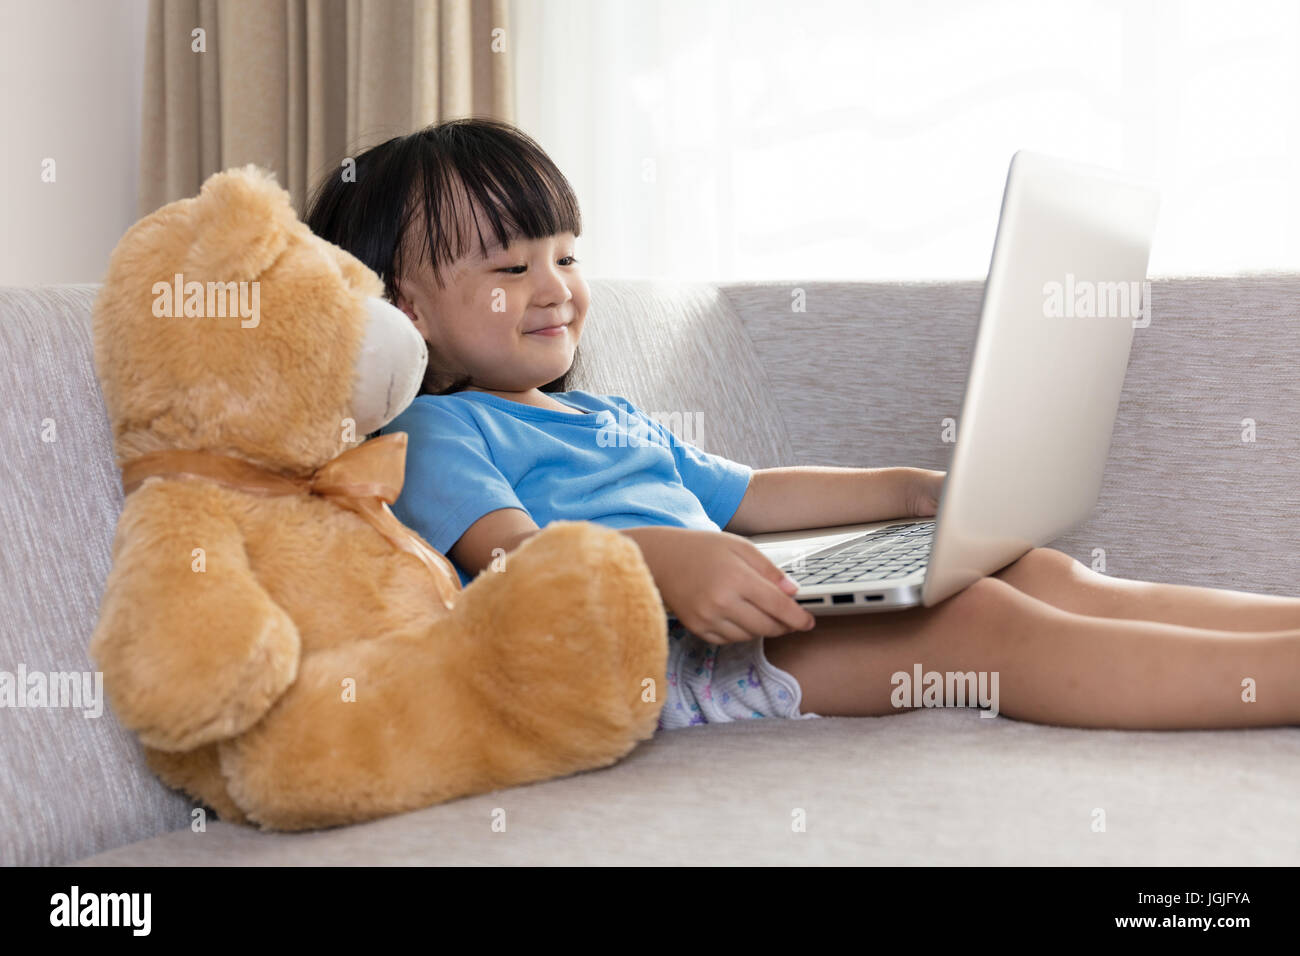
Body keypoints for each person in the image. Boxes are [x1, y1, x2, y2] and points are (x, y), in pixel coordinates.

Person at [305, 118, 1300, 733]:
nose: (554, 287)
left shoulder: (595, 411)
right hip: (660, 662)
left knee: (1035, 571)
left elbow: (753, 494)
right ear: (407, 310)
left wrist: (909, 490)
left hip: (728, 617)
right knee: (978, 626)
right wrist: (668, 561)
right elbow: (517, 564)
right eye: (510, 267)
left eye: (565, 253)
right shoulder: (439, 434)